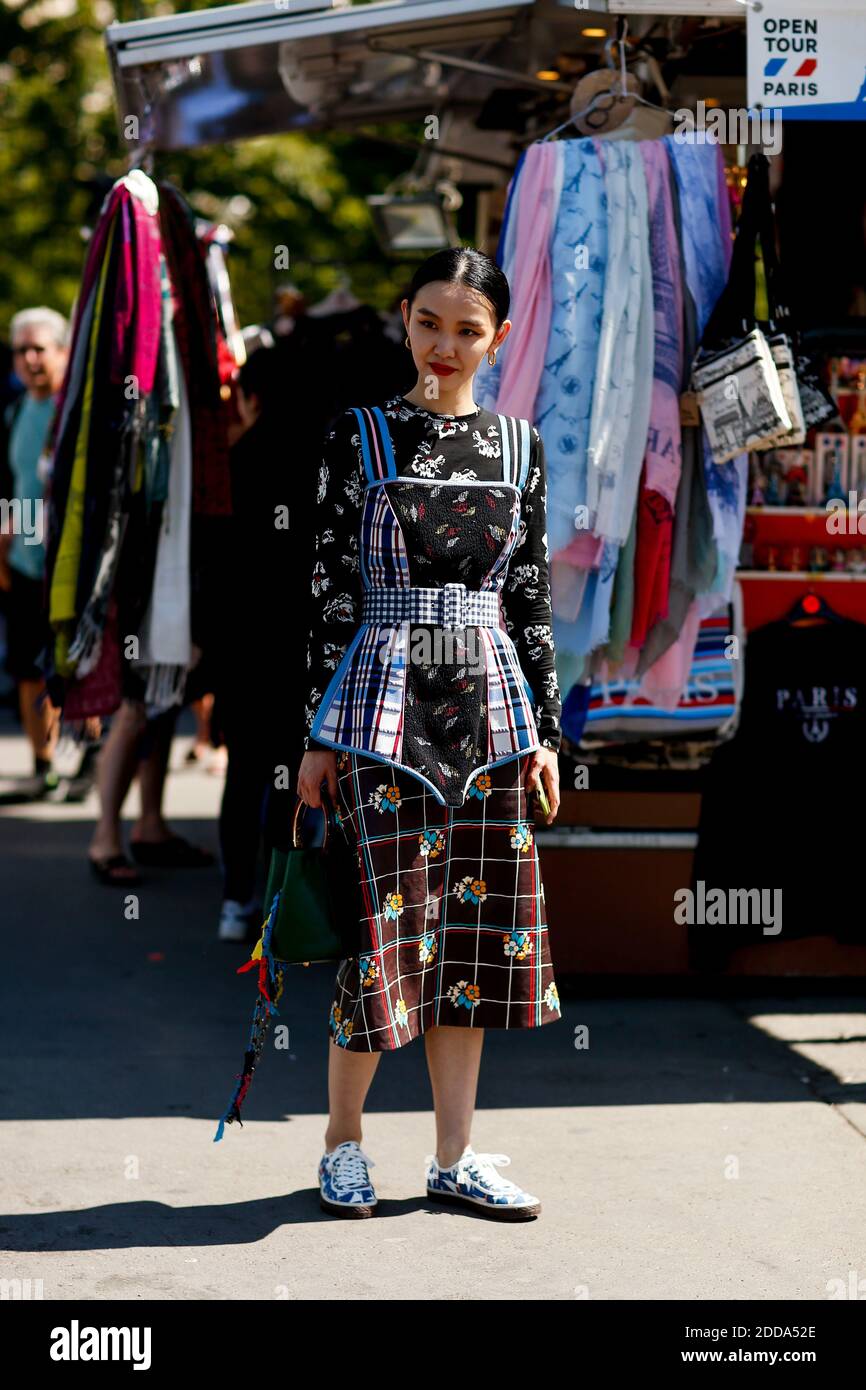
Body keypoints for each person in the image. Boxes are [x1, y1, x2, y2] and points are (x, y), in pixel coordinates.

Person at [297, 248, 563, 1221]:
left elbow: (529, 597)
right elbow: (326, 594)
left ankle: (454, 1157)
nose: (444, 347)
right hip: (379, 717)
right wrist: (313, 737)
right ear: (403, 320)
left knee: (474, 947)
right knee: (380, 939)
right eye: (429, 324)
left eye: (467, 330)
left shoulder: (520, 448)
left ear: (494, 339)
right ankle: (342, 1142)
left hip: (492, 719)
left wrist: (546, 736)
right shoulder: (356, 436)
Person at [0, 308, 68, 796]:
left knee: (68, 665)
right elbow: (16, 486)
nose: (29, 359)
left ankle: (86, 758)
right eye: (21, 350)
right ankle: (43, 765)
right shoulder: (15, 409)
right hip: (25, 562)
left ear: (63, 352)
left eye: (40, 348)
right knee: (27, 666)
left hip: (71, 563)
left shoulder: (77, 412)